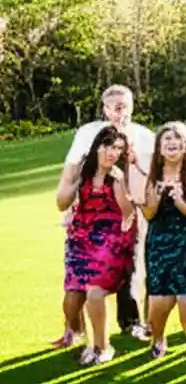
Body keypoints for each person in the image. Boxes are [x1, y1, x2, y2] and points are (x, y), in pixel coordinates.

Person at [59, 84, 153, 342]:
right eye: (112, 107)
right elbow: (72, 170)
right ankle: (74, 328)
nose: (117, 112)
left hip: (132, 210)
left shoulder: (144, 136)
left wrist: (136, 162)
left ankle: (131, 322)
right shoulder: (89, 133)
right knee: (84, 276)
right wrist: (68, 207)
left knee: (132, 267)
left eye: (122, 106)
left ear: (131, 107)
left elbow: (153, 172)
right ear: (104, 108)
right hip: (93, 215)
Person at [56, 126, 136, 365]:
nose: (113, 152)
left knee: (95, 293)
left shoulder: (117, 177)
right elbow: (62, 202)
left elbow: (128, 213)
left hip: (108, 241)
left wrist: (123, 240)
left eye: (118, 148)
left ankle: (102, 346)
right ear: (97, 146)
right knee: (71, 301)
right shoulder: (83, 172)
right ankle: (79, 334)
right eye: (109, 146)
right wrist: (71, 195)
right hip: (80, 240)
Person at [142, 123, 186, 358]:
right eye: (166, 139)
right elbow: (149, 214)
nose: (172, 142)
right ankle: (158, 340)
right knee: (159, 297)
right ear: (160, 149)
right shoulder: (153, 177)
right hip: (160, 241)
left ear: (185, 146)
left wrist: (180, 201)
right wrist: (158, 197)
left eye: (177, 138)